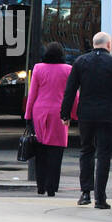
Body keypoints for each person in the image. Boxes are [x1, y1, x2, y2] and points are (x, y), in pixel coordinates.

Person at [60, 30, 112, 210]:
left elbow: (70, 90)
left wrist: (65, 114)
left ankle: (85, 193)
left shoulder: (80, 62)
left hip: (86, 114)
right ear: (108, 45)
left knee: (86, 151)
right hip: (108, 115)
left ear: (93, 44)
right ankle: (100, 198)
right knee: (103, 155)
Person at [24, 42, 77, 197]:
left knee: (40, 151)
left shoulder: (38, 68)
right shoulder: (68, 70)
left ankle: (40, 186)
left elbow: (32, 94)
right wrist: (74, 114)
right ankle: (52, 187)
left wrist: (28, 116)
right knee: (56, 152)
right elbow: (72, 95)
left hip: (39, 112)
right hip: (59, 114)